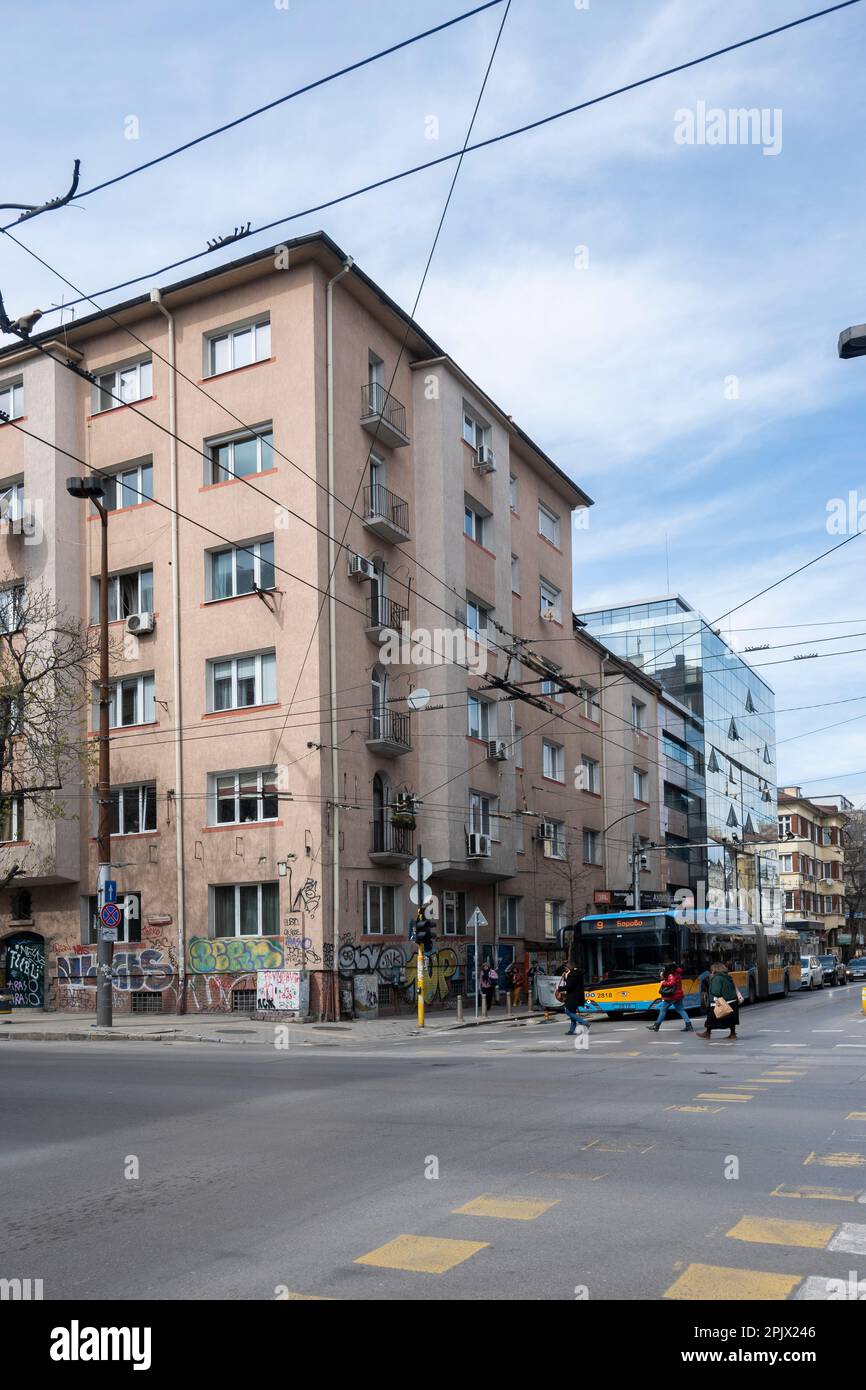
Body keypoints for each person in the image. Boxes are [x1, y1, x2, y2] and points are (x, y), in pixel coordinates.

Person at [646, 962, 694, 1033]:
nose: (664, 969)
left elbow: (672, 982)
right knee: (681, 1010)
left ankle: (656, 1026)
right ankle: (688, 1025)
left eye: (665, 967)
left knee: (663, 1010)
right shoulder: (676, 973)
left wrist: (663, 983)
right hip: (678, 995)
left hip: (671, 996)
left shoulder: (671, 974)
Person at [698, 962, 739, 1041]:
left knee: (711, 1018)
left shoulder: (717, 978)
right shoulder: (728, 977)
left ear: (715, 969)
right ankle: (733, 1034)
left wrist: (712, 997)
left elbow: (716, 991)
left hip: (722, 1002)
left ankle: (707, 1033)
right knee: (731, 1019)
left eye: (711, 970)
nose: (711, 971)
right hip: (732, 1001)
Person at [561, 962, 591, 1034]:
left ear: (567, 968)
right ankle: (572, 1030)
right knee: (572, 1012)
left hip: (572, 996)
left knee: (568, 1011)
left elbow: (570, 986)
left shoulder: (572, 975)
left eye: (564, 968)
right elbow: (571, 983)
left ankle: (584, 1022)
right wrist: (565, 977)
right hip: (577, 996)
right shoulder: (577, 973)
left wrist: (560, 989)